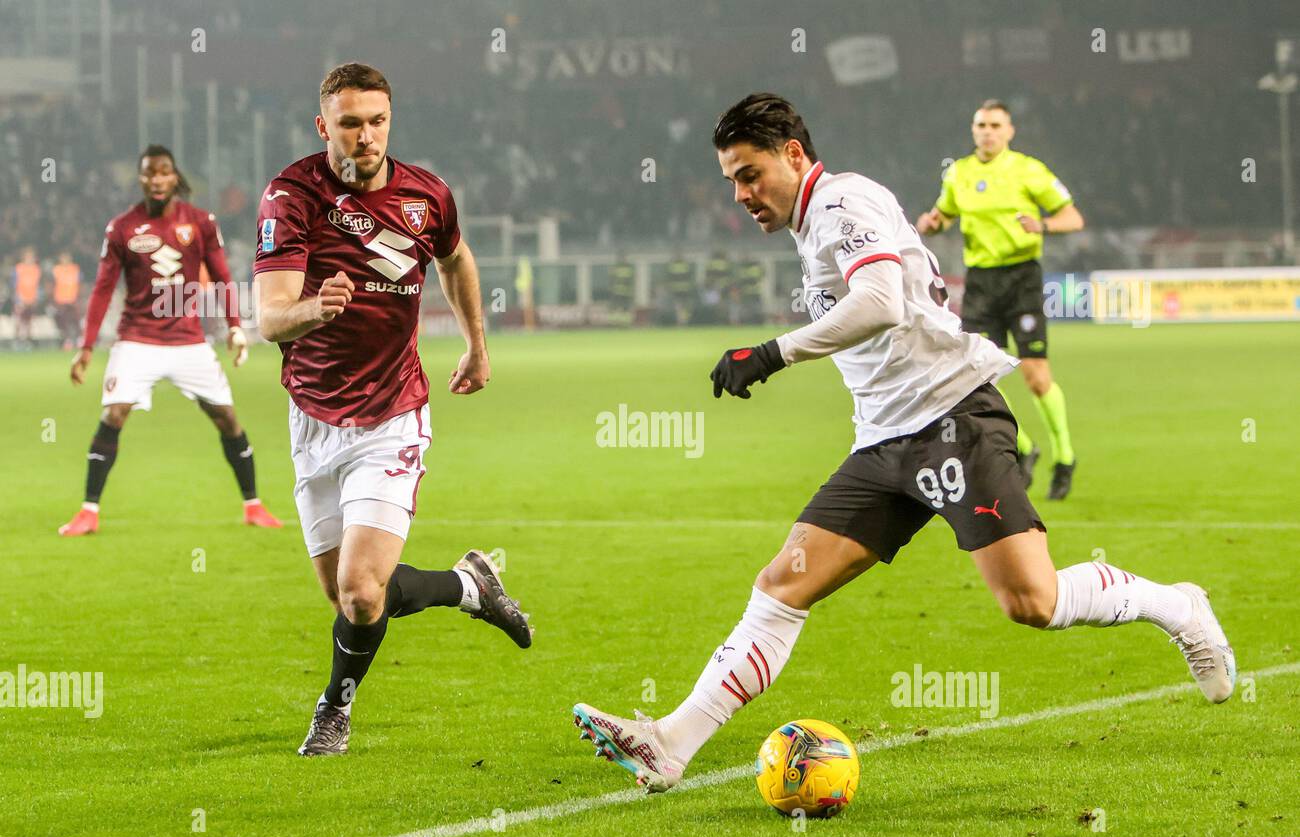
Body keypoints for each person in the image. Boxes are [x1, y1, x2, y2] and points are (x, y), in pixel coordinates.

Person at [573, 93, 1234, 793]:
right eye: (731, 180)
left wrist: (773, 352)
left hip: (953, 420)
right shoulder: (812, 225)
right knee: (781, 586)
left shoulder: (842, 203)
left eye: (749, 174)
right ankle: (670, 743)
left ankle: (1179, 606)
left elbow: (882, 301)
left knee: (1031, 602)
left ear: (793, 155)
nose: (740, 194)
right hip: (886, 441)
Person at [252, 62, 533, 757]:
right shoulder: (290, 197)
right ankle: (469, 586)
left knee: (359, 592)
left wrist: (476, 344)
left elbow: (456, 260)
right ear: (325, 127)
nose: (366, 135)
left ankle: (333, 710)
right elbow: (268, 319)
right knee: (348, 595)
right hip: (313, 418)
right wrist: (315, 308)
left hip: (392, 415)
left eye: (377, 121)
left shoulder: (425, 195)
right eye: (350, 123)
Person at [58, 145, 281, 537]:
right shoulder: (122, 228)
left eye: (163, 172)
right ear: (140, 179)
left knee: (227, 419)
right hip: (137, 341)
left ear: (175, 176)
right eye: (149, 173)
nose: (156, 180)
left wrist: (235, 327)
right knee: (113, 414)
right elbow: (102, 289)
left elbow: (223, 276)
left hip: (188, 343)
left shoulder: (199, 222)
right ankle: (88, 512)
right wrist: (86, 346)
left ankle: (253, 505)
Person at [916, 99, 1084, 499]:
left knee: (1036, 377)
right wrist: (931, 223)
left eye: (995, 125)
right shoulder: (958, 173)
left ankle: (1065, 456)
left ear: (1009, 132)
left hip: (1021, 279)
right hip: (981, 283)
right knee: (979, 376)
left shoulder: (1029, 170)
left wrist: (1042, 224)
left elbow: (1073, 218)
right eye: (980, 125)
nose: (987, 131)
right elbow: (942, 215)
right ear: (973, 131)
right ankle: (1025, 447)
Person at [50, 251, 82, 350]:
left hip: (73, 299)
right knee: (64, 322)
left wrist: (78, 297)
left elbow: (79, 283)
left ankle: (78, 340)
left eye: (67, 257)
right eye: (63, 257)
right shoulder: (56, 269)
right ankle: (67, 341)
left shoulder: (75, 269)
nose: (65, 260)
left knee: (75, 321)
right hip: (61, 300)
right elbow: (52, 284)